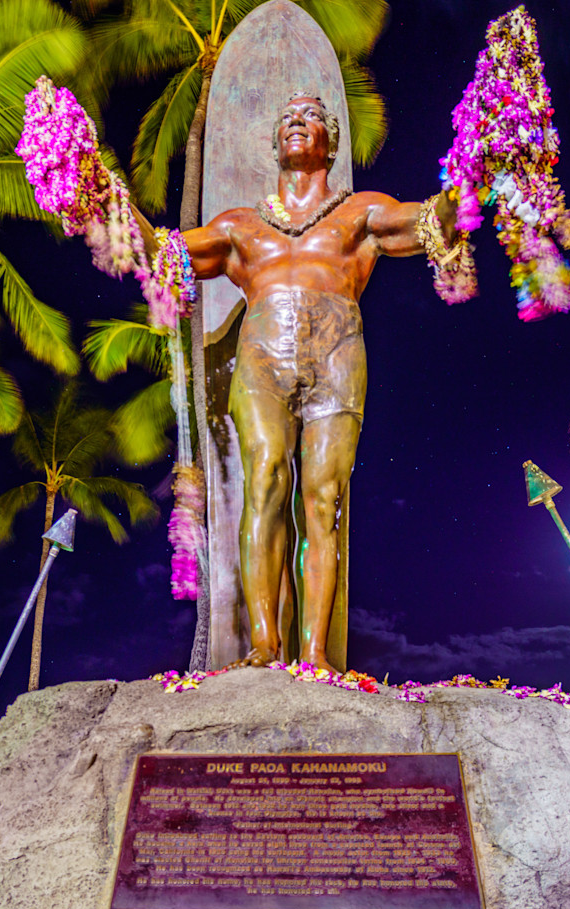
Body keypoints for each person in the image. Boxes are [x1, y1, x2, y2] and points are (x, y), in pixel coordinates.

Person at [148, 93, 457, 672]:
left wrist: (482, 166)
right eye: (287, 114)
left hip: (337, 352)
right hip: (262, 357)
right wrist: (98, 195)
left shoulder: (360, 212)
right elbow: (161, 254)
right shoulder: (240, 227)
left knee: (325, 499)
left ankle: (315, 655)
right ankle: (264, 647)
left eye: (311, 114)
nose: (296, 119)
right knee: (263, 479)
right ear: (274, 145)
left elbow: (432, 223)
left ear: (331, 142)